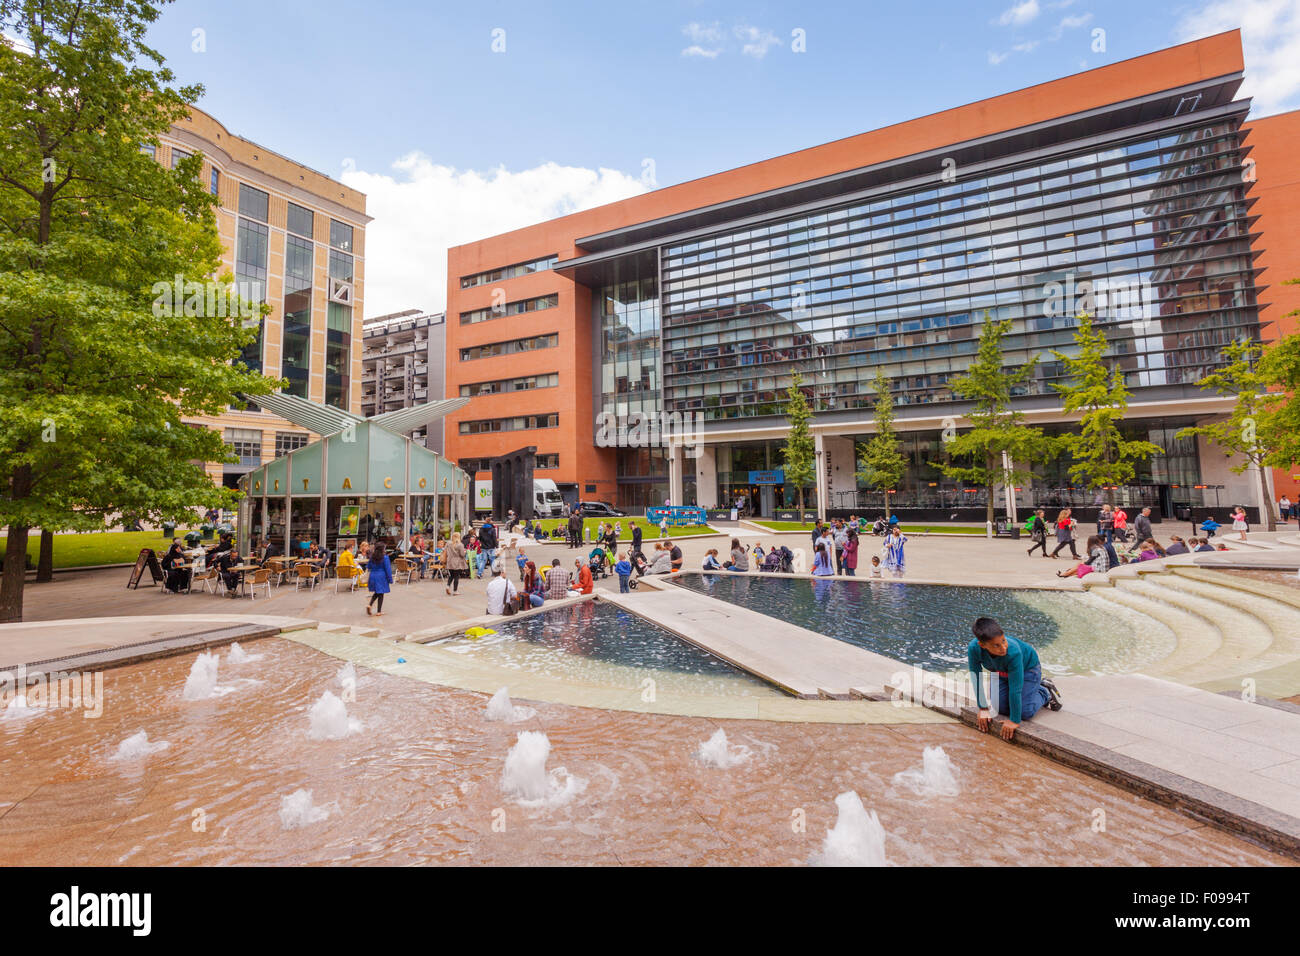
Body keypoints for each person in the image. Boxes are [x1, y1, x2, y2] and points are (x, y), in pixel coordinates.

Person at [968, 616, 1062, 741]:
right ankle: (1033, 692)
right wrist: (983, 708)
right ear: (982, 645)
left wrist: (1014, 720)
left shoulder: (1013, 652)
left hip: (1028, 670)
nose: (1003, 648)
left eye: (1003, 640)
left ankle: (1044, 691)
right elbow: (976, 677)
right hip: (999, 672)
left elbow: (1015, 689)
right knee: (999, 708)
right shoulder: (974, 648)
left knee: (1024, 712)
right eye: (996, 645)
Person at [365, 543, 392, 617]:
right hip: (381, 576)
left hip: (373, 575)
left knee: (378, 592)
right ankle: (378, 611)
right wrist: (390, 579)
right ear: (382, 549)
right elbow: (388, 569)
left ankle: (370, 605)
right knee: (381, 593)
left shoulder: (372, 557)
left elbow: (369, 566)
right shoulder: (385, 558)